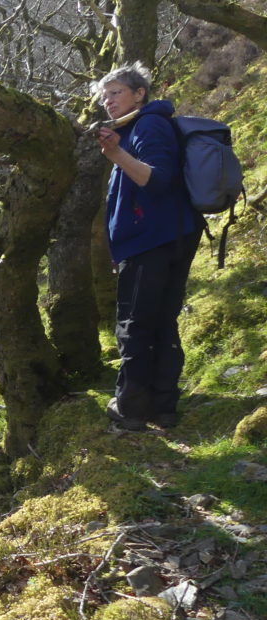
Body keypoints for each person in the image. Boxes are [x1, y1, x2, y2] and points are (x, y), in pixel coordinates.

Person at [95, 62, 202, 431]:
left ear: (140, 93)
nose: (108, 101)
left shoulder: (149, 125)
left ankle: (131, 409)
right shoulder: (136, 128)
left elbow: (157, 180)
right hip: (165, 236)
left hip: (153, 240)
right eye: (105, 96)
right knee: (160, 322)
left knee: (135, 325)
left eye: (116, 93)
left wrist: (116, 156)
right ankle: (164, 407)